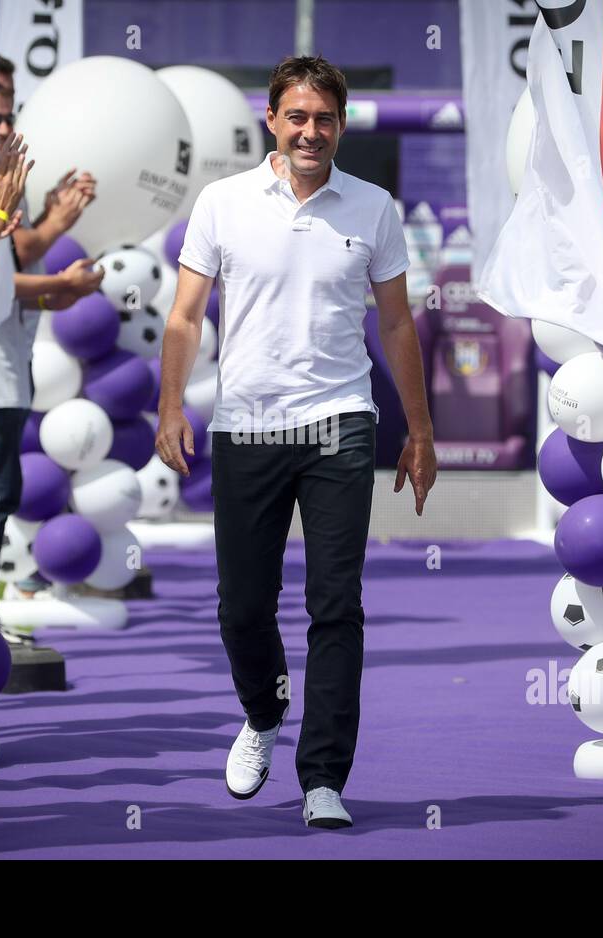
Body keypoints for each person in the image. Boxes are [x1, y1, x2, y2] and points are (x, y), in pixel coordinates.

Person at [155, 55, 437, 829]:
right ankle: (262, 710)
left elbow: (396, 323)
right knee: (243, 607)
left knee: (336, 603)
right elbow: (184, 317)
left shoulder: (375, 208)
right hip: (246, 426)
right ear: (273, 122)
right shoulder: (223, 202)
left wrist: (420, 429)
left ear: (340, 125)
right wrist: (171, 404)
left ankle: (323, 778)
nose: (311, 131)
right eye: (298, 117)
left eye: (325, 119)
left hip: (342, 425)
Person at [0, 55, 102, 641]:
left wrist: (56, 281)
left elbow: (6, 268)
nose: (7, 126)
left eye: (11, 113)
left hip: (4, 362)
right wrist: (57, 253)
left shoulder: (3, 171)